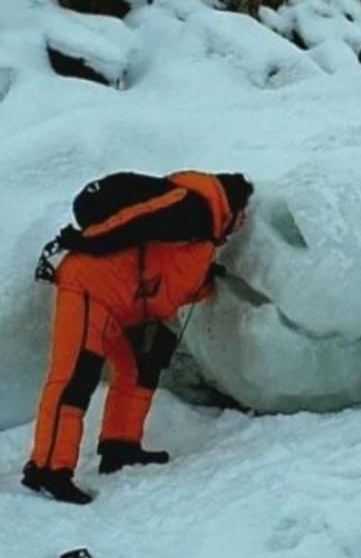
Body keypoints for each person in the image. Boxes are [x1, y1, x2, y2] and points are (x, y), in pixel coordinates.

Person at [22, 170, 253, 504]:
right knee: (75, 376)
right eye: (243, 215)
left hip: (124, 304)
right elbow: (137, 220)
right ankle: (47, 469)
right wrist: (87, 241)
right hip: (91, 287)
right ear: (231, 207)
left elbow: (170, 276)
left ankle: (120, 447)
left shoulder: (201, 237)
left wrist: (205, 283)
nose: (243, 224)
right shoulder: (193, 208)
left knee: (143, 364)